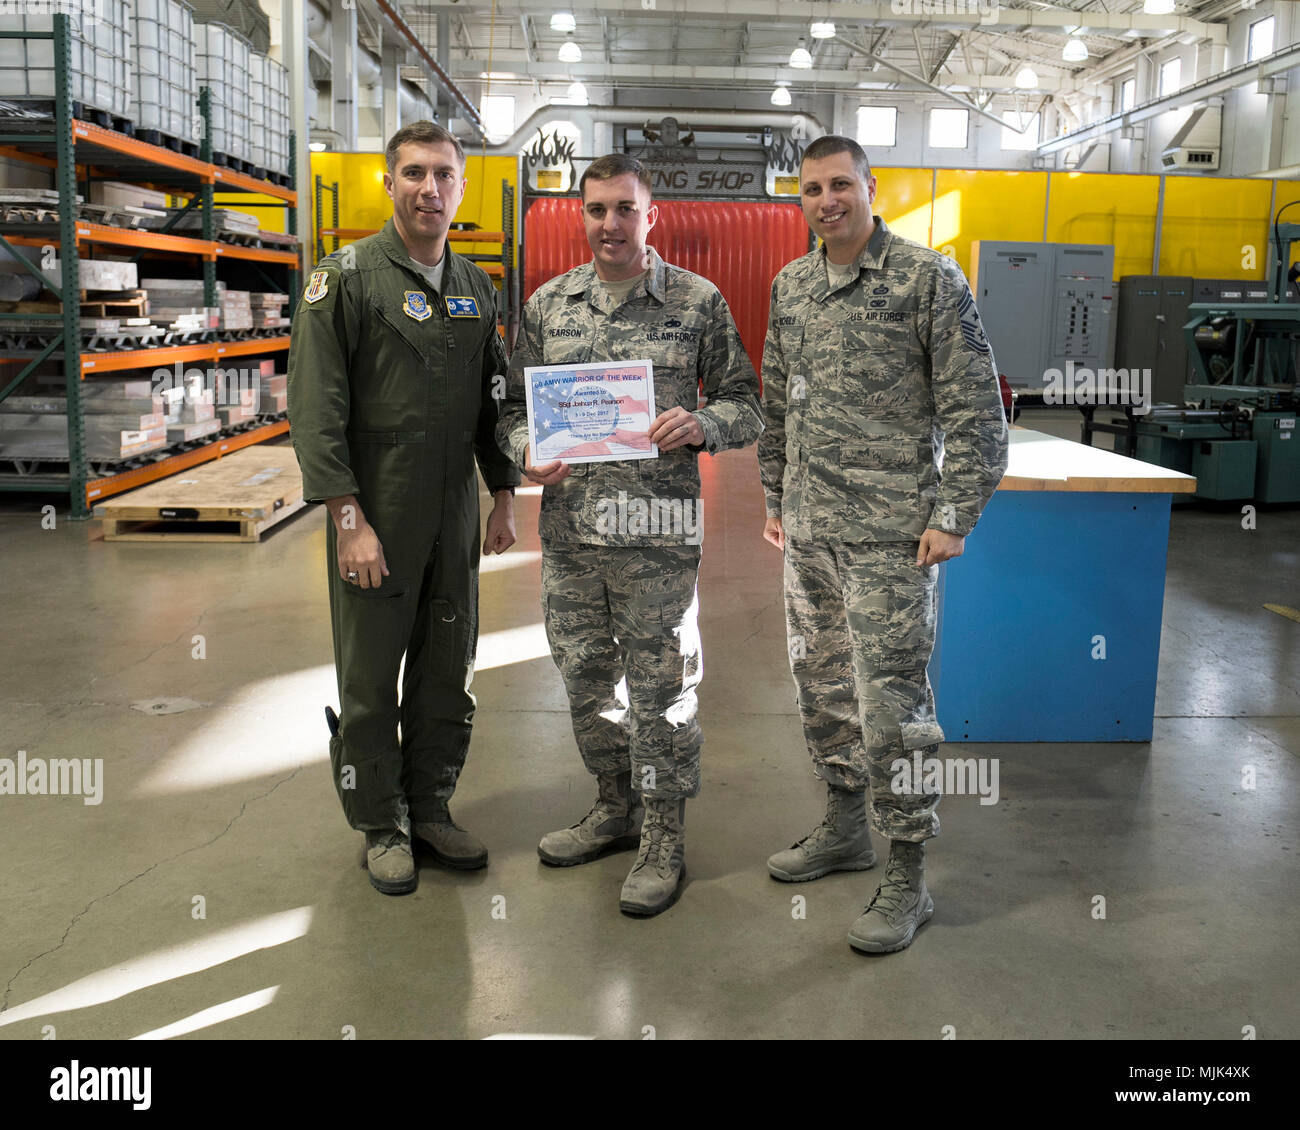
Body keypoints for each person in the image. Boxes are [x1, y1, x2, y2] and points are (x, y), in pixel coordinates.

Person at [758, 135, 1008, 952]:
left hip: (892, 541)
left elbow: (976, 410)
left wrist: (954, 515)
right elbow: (776, 408)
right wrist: (774, 497)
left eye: (840, 186)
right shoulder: (791, 285)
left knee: (893, 708)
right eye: (810, 190)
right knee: (822, 690)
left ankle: (908, 869)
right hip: (811, 535)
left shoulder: (926, 278)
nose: (826, 201)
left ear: (871, 189)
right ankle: (842, 827)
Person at [497, 154, 762, 916]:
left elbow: (747, 402)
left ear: (652, 217)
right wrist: (524, 450)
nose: (609, 224)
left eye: (624, 209)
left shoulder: (697, 302)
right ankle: (615, 807)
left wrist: (703, 422)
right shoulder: (550, 306)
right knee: (586, 680)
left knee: (661, 688)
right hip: (574, 533)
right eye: (596, 210)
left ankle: (664, 838)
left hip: (657, 535)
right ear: (581, 215)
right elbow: (511, 412)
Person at [287, 121, 519, 896]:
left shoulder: (477, 287)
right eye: (414, 172)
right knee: (370, 673)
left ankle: (430, 806)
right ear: (388, 183)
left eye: (444, 174)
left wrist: (504, 495)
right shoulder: (345, 279)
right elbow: (316, 410)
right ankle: (380, 821)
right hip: (376, 509)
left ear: (461, 187)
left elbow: (494, 400)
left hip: (454, 507)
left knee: (447, 667)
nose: (430, 187)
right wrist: (348, 519)